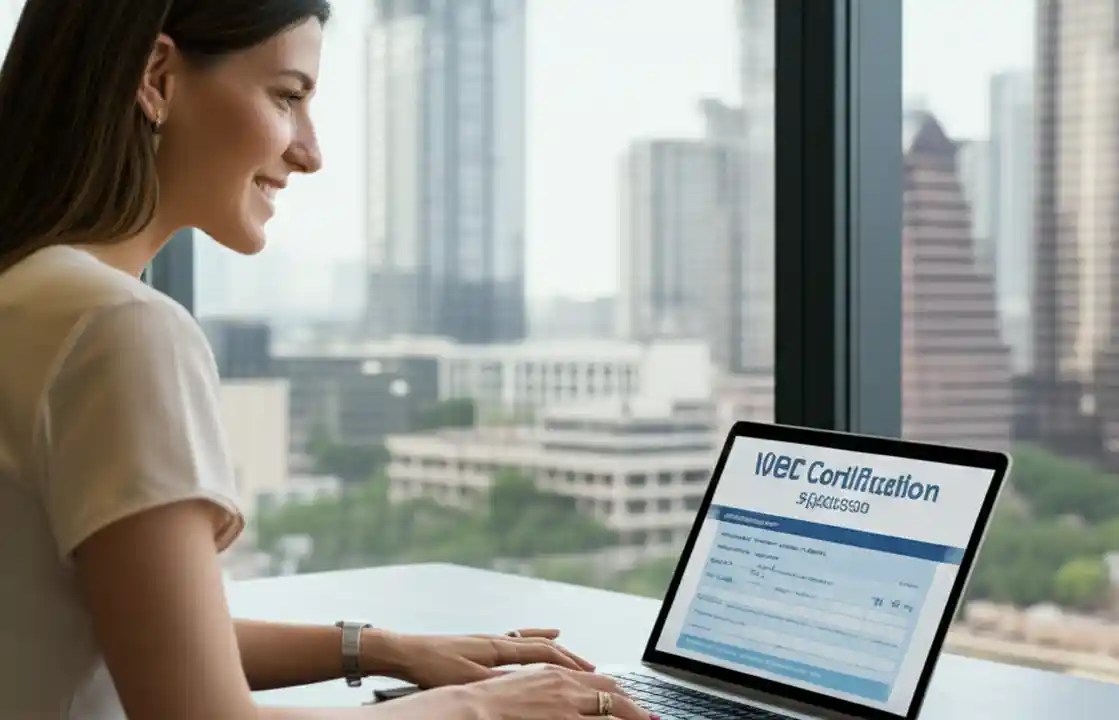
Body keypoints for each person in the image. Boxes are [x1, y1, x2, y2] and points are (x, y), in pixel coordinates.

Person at [0, 2, 655, 719]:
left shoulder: (29, 296)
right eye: (287, 97)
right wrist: (487, 708)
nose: (309, 151)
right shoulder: (117, 327)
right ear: (158, 77)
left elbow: (123, 631)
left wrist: (382, 648)